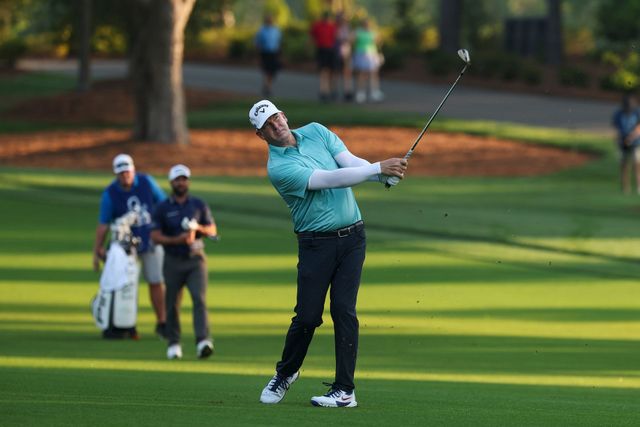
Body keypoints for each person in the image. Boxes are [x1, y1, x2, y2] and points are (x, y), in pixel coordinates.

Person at [248, 100, 408, 407]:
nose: (276, 125)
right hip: (315, 244)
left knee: (344, 311)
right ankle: (286, 372)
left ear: (284, 115)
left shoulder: (317, 131)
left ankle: (344, 390)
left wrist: (379, 176)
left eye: (276, 117)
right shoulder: (279, 169)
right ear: (260, 135)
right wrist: (378, 169)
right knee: (308, 317)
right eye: (267, 125)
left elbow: (348, 162)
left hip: (353, 238)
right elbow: (328, 179)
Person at [93, 154, 168, 339]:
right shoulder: (110, 193)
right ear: (116, 174)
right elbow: (103, 224)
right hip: (124, 247)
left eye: (127, 171)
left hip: (150, 239)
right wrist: (97, 250)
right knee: (126, 286)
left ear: (133, 170)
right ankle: (127, 324)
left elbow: (164, 204)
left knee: (156, 281)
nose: (125, 175)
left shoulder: (146, 182)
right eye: (121, 173)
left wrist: (163, 229)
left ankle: (162, 322)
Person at [150, 164, 217, 360]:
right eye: (177, 180)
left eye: (184, 179)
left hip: (196, 260)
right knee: (172, 303)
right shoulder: (163, 207)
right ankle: (174, 343)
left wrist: (198, 229)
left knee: (199, 298)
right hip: (172, 260)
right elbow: (155, 236)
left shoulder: (198, 204)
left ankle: (203, 341)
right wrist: (177, 240)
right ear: (171, 182)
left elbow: (212, 230)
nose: (181, 183)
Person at [612, 93, 640, 194]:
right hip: (622, 142)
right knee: (624, 165)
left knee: (636, 164)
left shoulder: (637, 112)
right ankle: (625, 188)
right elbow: (616, 128)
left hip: (635, 142)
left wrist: (631, 137)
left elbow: (639, 127)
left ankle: (638, 186)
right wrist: (620, 139)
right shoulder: (618, 113)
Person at [352, 18, 384, 104]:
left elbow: (379, 42)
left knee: (374, 73)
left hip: (372, 54)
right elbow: (352, 41)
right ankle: (360, 93)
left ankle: (374, 92)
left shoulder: (372, 32)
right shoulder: (358, 32)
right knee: (362, 73)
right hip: (361, 54)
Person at [310, 11, 338, 102]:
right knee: (323, 71)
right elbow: (312, 36)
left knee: (331, 71)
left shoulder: (332, 26)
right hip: (322, 49)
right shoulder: (318, 26)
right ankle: (323, 90)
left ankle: (330, 90)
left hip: (330, 50)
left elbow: (336, 38)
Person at [255, 14, 282, 97]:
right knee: (266, 70)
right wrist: (259, 53)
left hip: (274, 53)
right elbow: (258, 42)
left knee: (272, 71)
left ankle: (267, 86)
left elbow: (279, 42)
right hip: (265, 53)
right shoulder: (262, 30)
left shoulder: (276, 30)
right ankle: (267, 87)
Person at [334, 12, 354, 102]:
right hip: (337, 52)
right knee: (336, 72)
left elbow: (351, 39)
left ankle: (347, 91)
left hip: (347, 53)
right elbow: (337, 38)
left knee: (347, 73)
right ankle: (335, 91)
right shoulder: (336, 28)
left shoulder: (348, 28)